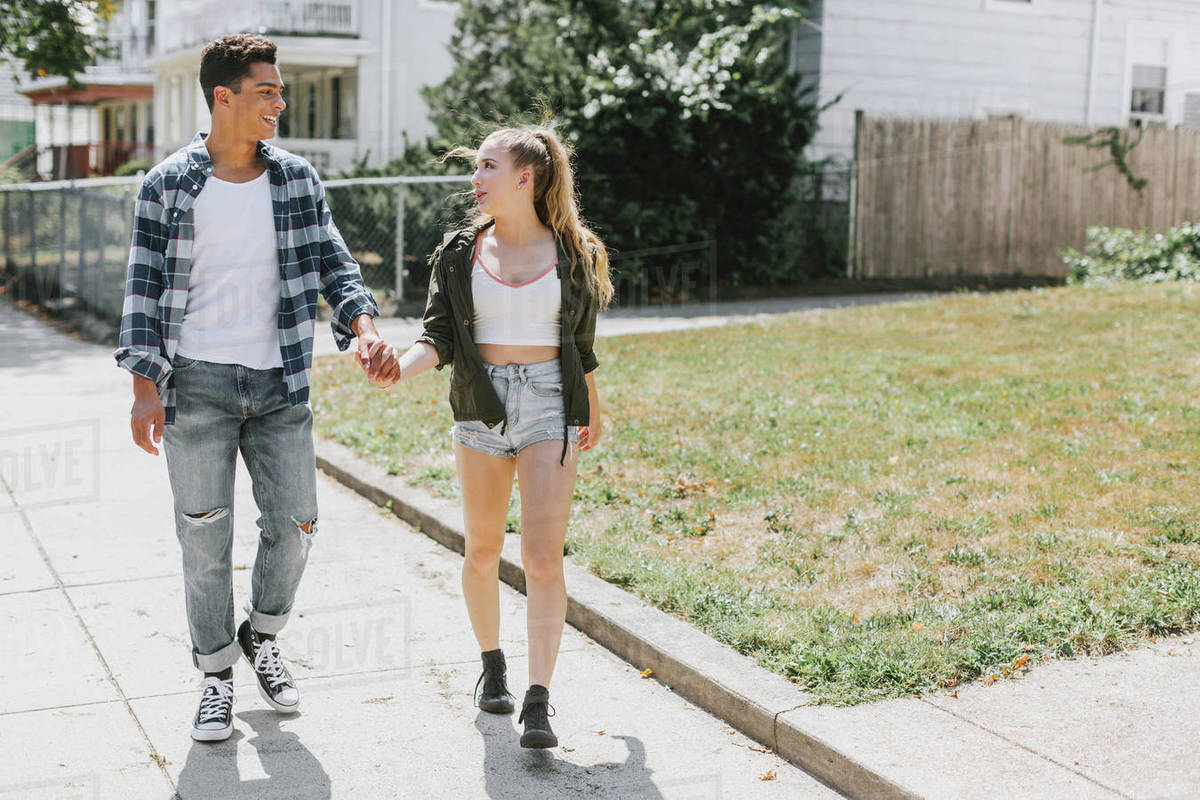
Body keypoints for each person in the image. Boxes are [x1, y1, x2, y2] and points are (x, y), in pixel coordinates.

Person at [114, 33, 399, 742]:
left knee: (298, 524)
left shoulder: (296, 180)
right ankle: (215, 676)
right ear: (224, 97)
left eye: (279, 89)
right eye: (267, 90)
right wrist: (144, 386)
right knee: (205, 538)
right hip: (197, 386)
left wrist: (361, 323)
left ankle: (262, 634)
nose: (280, 100)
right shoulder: (168, 184)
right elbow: (142, 289)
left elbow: (336, 263)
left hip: (280, 381)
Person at [371, 125, 612, 748]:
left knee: (540, 556)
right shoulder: (459, 252)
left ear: (525, 178)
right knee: (481, 550)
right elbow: (439, 337)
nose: (474, 180)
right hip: (480, 406)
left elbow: (580, 345)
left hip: (549, 404)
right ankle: (493, 667)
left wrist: (592, 406)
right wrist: (400, 364)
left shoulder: (573, 251)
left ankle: (538, 699)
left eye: (486, 167)